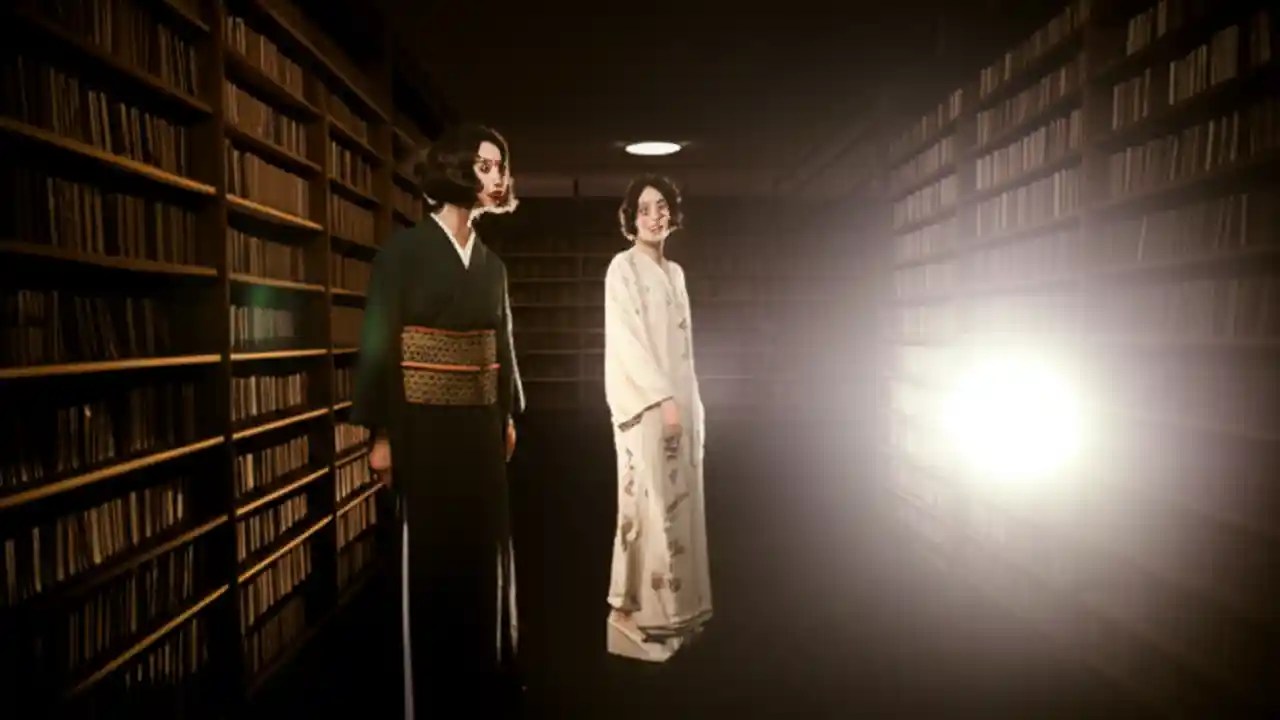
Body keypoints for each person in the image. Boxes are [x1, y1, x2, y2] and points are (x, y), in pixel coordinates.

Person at [349, 123, 524, 716]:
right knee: (428, 562)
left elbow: (501, 345)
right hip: (421, 427)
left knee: (483, 553)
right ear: (454, 169)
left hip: (479, 428)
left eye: (500, 166)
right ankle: (424, 694)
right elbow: (379, 343)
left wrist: (504, 411)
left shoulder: (493, 265)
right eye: (485, 164)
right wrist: (381, 433)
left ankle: (483, 684)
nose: (497, 175)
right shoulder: (402, 254)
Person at [602, 174, 713, 662]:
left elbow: (686, 350)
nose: (655, 215)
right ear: (632, 218)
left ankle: (679, 614)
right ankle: (643, 617)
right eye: (645, 208)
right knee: (648, 508)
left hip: (680, 401)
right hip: (646, 405)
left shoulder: (677, 273)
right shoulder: (621, 269)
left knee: (682, 505)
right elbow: (628, 342)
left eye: (662, 205)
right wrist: (662, 399)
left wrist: (690, 403)